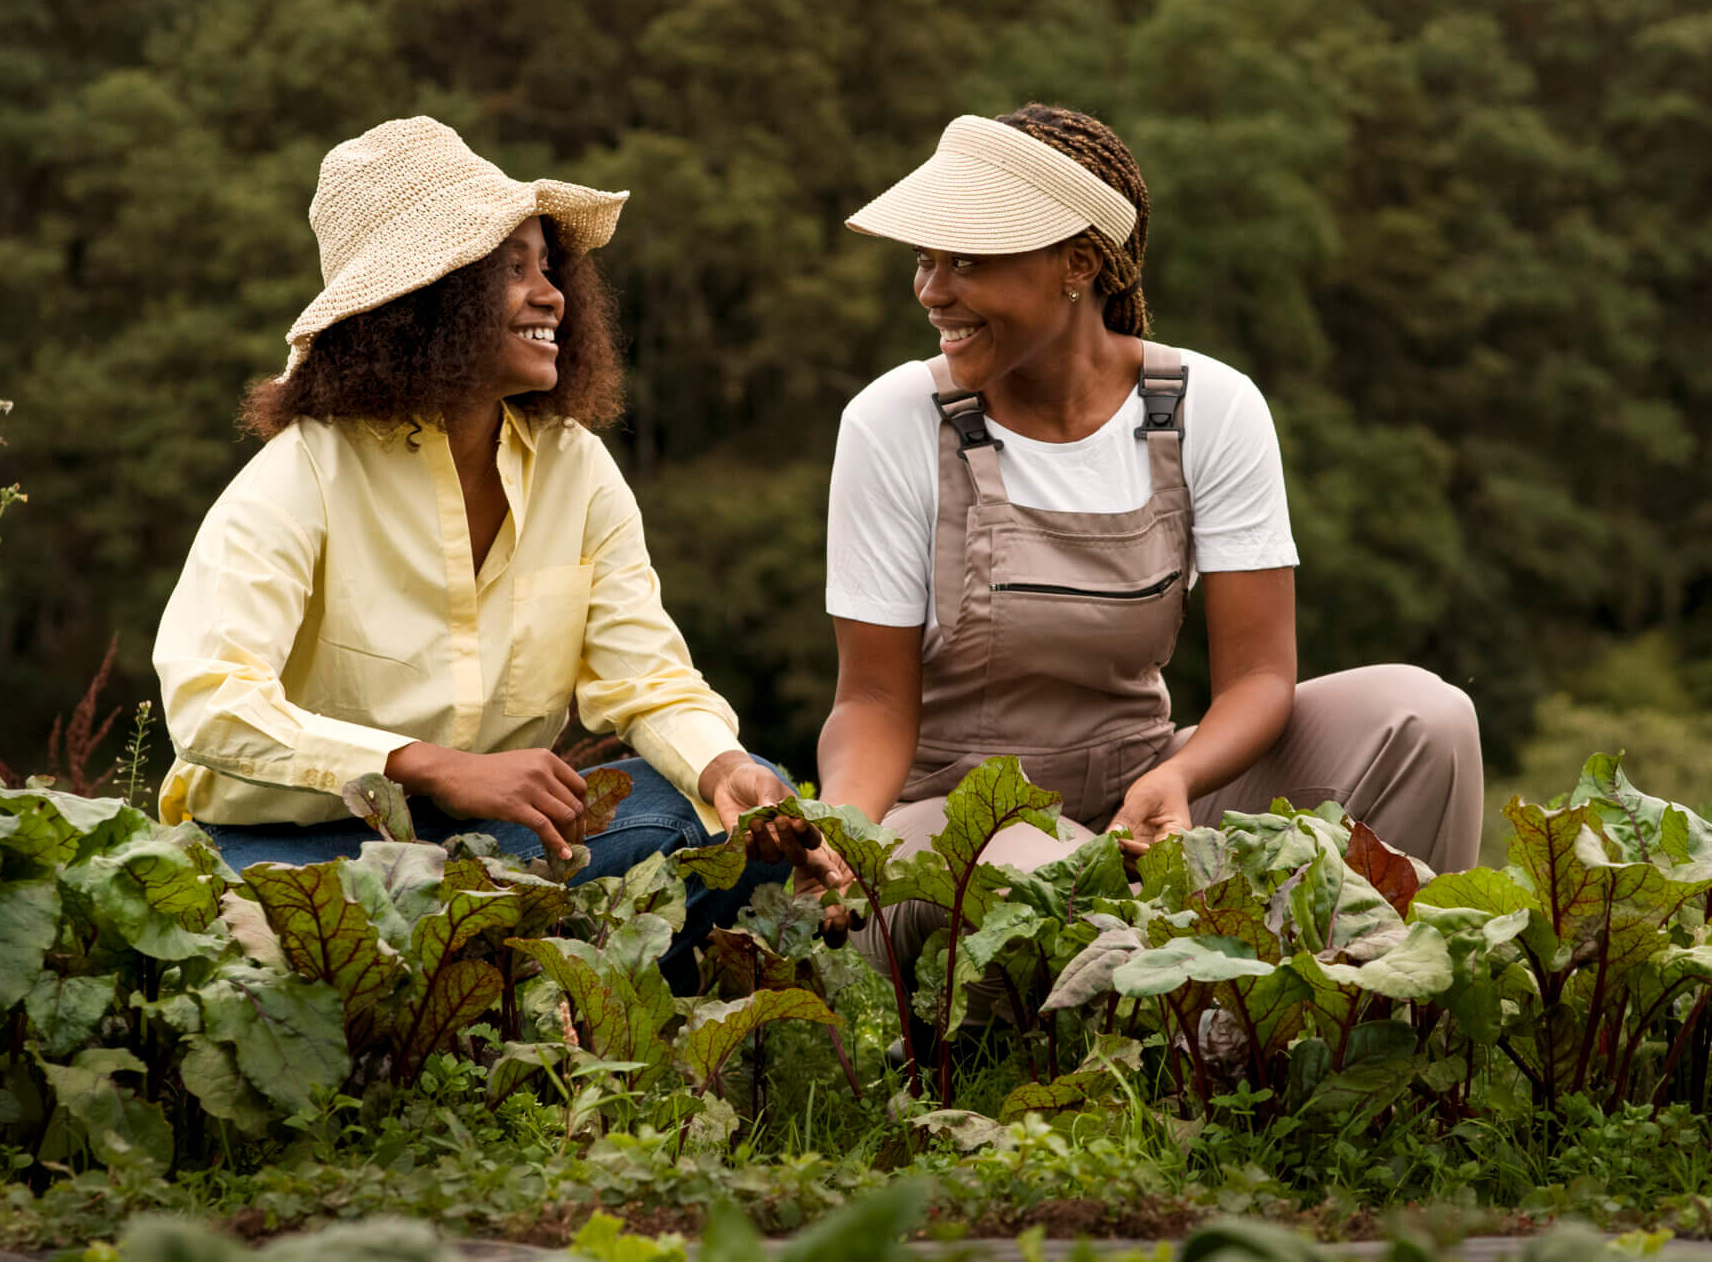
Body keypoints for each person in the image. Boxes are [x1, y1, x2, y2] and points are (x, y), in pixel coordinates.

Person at [817, 104, 1484, 989]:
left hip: (1144, 783)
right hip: (954, 821)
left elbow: (1256, 678)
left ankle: (1352, 1012)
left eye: (966, 260)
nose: (932, 290)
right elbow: (871, 700)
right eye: (925, 259)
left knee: (1426, 718)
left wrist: (1181, 776)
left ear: (1078, 264)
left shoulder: (1209, 405)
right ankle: (1204, 1032)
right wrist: (840, 836)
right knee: (1043, 877)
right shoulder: (893, 420)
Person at [153, 116, 826, 963]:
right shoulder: (302, 474)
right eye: (511, 270)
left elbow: (647, 679)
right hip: (294, 855)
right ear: (426, 299)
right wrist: (422, 764)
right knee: (336, 935)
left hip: (489, 850)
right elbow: (210, 704)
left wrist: (724, 768)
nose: (553, 295)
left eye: (550, 267)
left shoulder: (575, 468)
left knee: (736, 814)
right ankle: (503, 966)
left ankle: (516, 970)